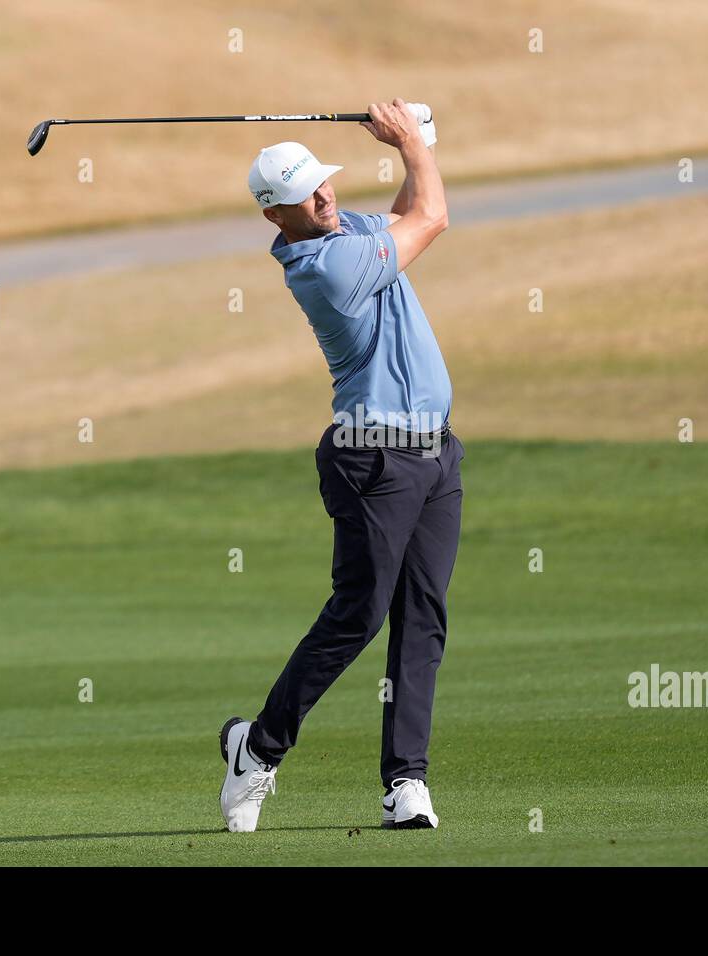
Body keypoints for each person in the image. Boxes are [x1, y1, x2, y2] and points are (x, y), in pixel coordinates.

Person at [220, 98, 463, 832]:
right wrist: (415, 146)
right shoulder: (322, 267)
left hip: (436, 452)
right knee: (359, 614)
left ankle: (406, 784)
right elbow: (434, 219)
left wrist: (418, 142)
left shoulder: (344, 228)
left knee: (422, 618)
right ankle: (256, 751)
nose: (326, 197)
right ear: (277, 217)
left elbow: (406, 212)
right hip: (372, 457)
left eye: (325, 183)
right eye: (307, 196)